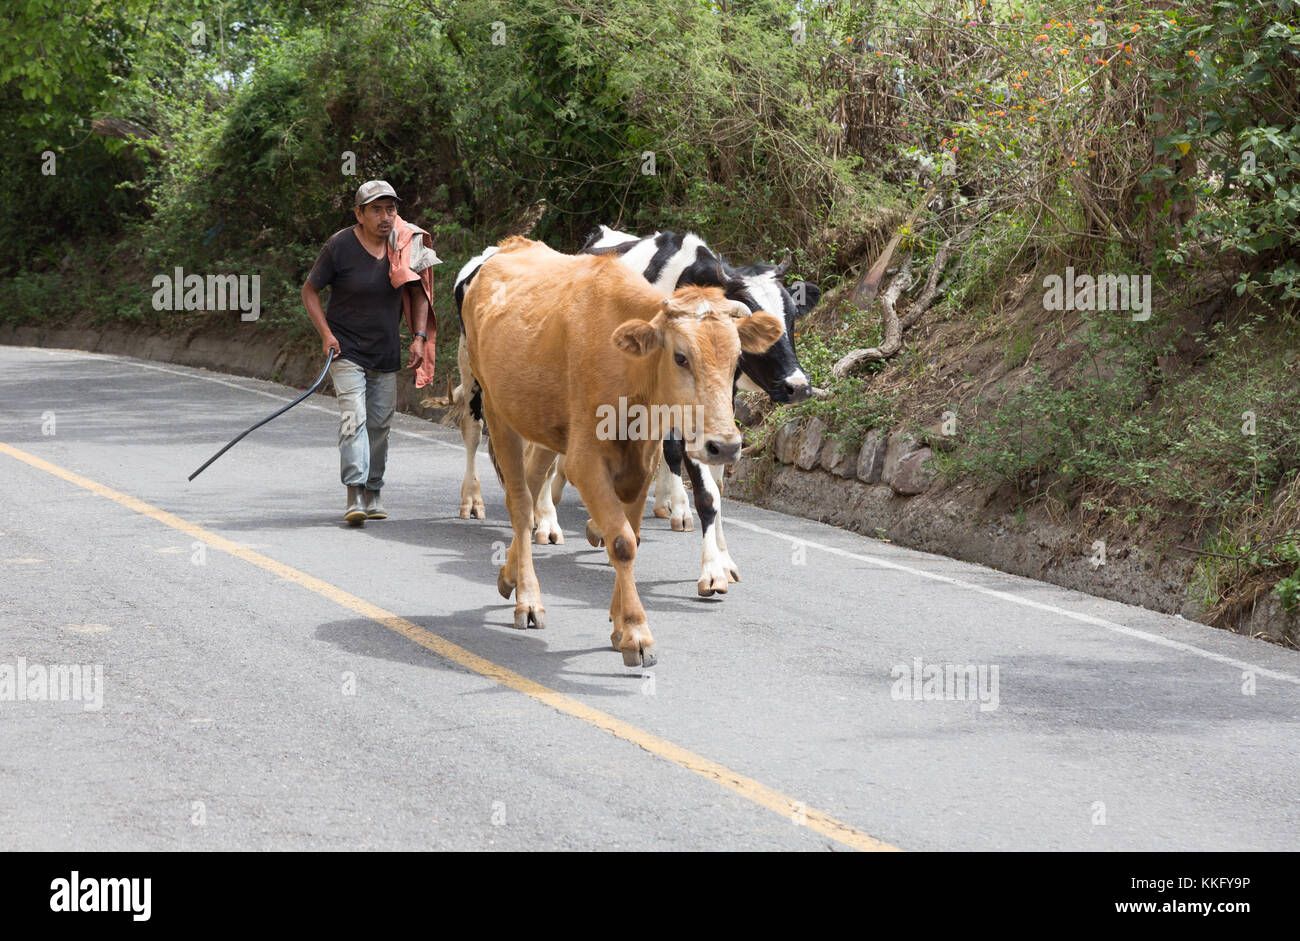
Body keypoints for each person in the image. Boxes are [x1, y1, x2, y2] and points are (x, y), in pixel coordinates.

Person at [302, 180, 434, 525]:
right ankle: (355, 491)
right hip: (345, 350)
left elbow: (419, 293)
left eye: (390, 209)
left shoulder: (403, 244)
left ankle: (374, 490)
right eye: (376, 209)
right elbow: (310, 291)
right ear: (359, 214)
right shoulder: (340, 246)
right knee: (353, 419)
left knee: (380, 425)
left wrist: (419, 336)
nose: (385, 216)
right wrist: (326, 335)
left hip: (386, 352)